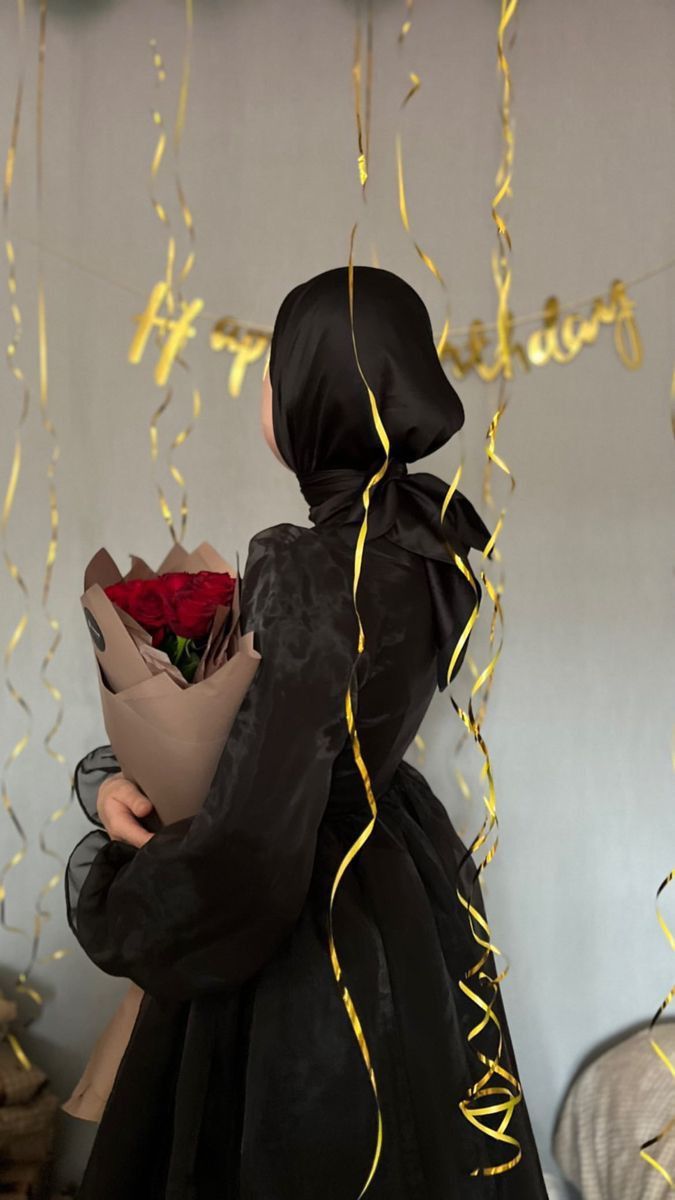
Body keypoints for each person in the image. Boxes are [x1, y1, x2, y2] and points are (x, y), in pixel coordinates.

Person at [64, 265, 549, 1199]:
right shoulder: (436, 552)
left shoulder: (302, 561)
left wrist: (136, 880)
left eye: (270, 374)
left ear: (317, 397)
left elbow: (252, 828)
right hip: (398, 869)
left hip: (305, 899)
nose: (261, 394)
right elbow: (300, 728)